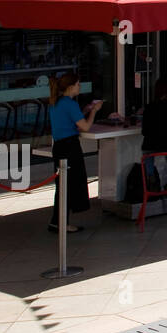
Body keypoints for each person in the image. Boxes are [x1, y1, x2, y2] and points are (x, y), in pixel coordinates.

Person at [46, 72, 104, 233]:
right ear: (71, 87)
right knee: (72, 184)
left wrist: (85, 110)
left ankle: (58, 221)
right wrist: (94, 111)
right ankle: (62, 222)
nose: (80, 87)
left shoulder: (56, 102)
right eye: (78, 84)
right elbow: (85, 127)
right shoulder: (69, 104)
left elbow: (68, 119)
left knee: (62, 186)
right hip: (70, 147)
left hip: (59, 146)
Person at [141, 81, 167, 190]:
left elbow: (144, 131)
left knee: (147, 153)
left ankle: (150, 175)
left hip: (152, 144)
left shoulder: (150, 107)